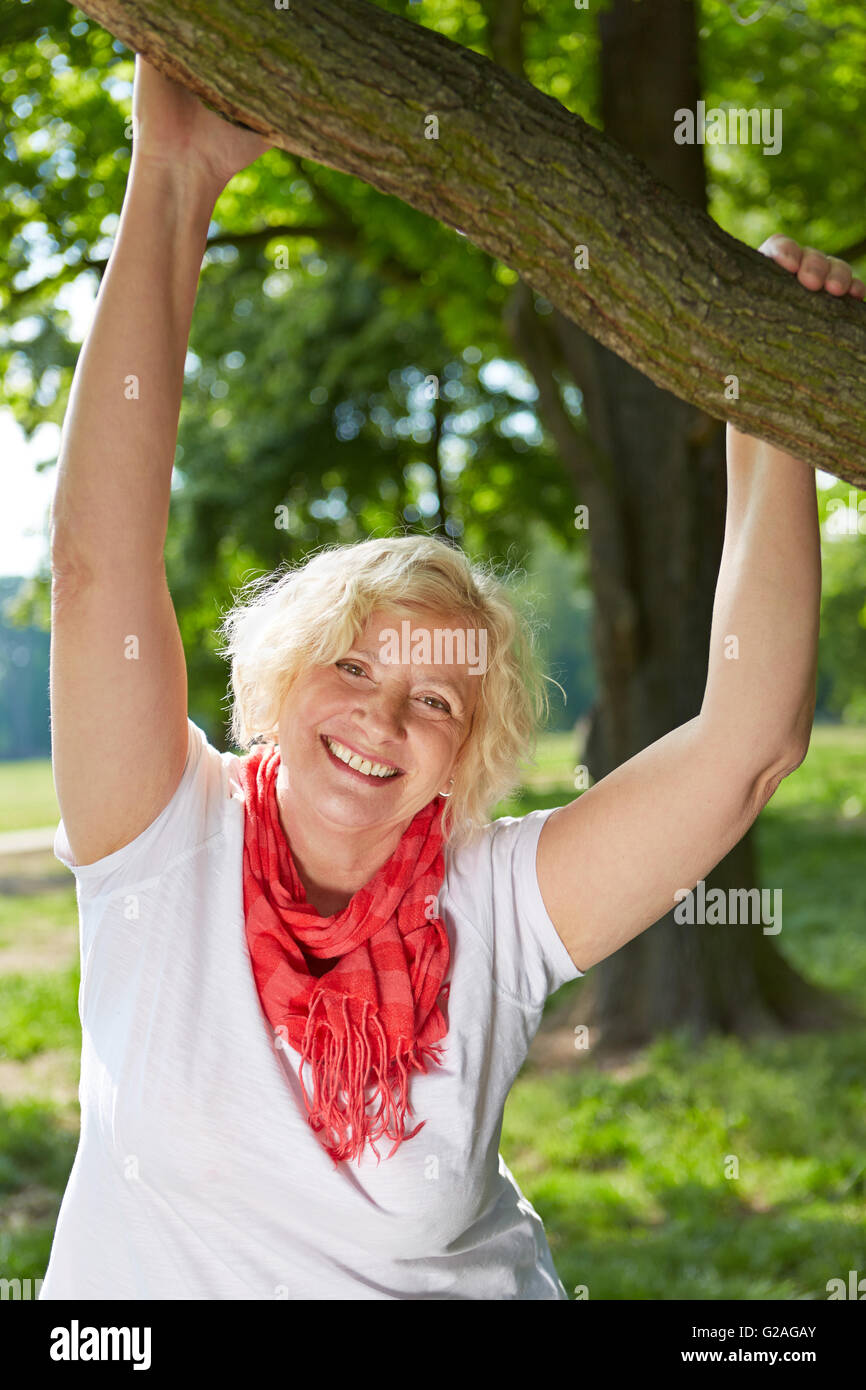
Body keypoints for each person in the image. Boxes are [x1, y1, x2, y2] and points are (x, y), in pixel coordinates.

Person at [41, 56, 863, 1301]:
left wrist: (769, 421)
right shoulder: (161, 838)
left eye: (434, 698)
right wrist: (173, 177)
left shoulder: (493, 899)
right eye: (354, 663)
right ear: (278, 682)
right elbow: (99, 565)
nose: (380, 714)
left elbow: (745, 744)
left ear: (466, 751)